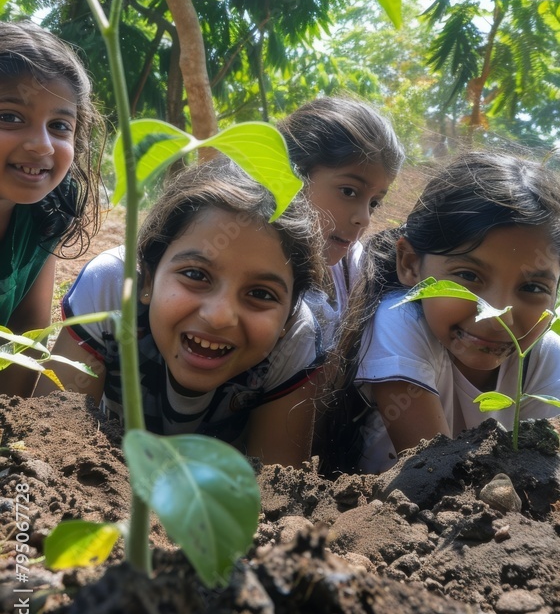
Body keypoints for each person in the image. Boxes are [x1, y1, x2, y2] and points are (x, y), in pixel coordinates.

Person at [37, 158, 326, 468]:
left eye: (260, 294)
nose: (219, 317)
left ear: (290, 314)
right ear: (147, 278)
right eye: (196, 275)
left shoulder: (297, 335)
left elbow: (274, 494)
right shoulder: (113, 287)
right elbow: (50, 445)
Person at [351, 151, 560, 473]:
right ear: (409, 264)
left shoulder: (546, 356)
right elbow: (435, 476)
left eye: (533, 288)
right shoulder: (402, 322)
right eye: (468, 276)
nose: (498, 317)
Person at [0, 21, 103, 396]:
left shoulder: (48, 208)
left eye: (60, 125)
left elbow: (25, 333)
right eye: (9, 116)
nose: (42, 146)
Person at [277, 95, 404, 318]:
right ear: (292, 177)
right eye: (349, 191)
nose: (364, 219)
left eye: (374, 203)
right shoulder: (250, 263)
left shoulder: (349, 271)